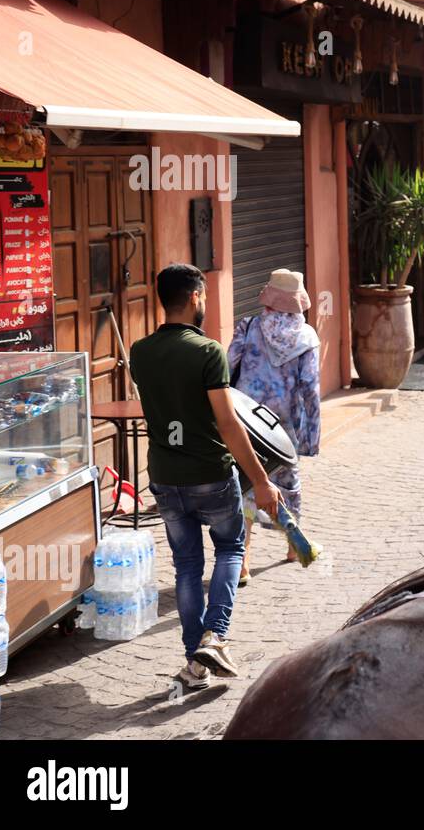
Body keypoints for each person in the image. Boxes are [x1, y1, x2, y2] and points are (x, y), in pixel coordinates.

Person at [129, 264, 281, 692]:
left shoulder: (139, 351)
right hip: (210, 474)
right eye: (206, 296)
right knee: (231, 548)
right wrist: (262, 481)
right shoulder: (208, 351)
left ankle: (195, 663)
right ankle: (214, 635)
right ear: (195, 297)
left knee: (186, 566)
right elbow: (229, 425)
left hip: (164, 474)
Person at [228, 269, 321, 587]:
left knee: (247, 484)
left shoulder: (248, 326)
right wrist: (311, 437)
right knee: (288, 481)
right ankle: (294, 546)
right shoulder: (307, 337)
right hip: (283, 425)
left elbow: (227, 367)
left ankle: (242, 560)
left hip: (246, 417)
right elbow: (311, 388)